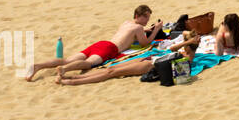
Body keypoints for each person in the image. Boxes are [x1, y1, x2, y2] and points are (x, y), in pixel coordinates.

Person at [26, 5, 163, 80]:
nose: (146, 20)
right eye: (145, 17)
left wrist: (147, 28)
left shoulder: (127, 23)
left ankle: (38, 66)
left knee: (66, 59)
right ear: (137, 16)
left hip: (101, 43)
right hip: (110, 48)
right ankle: (64, 70)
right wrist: (156, 30)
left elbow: (131, 32)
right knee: (88, 64)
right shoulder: (139, 28)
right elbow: (145, 43)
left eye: (148, 17)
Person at [57, 31, 200, 85]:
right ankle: (74, 78)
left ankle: (71, 82)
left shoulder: (189, 57)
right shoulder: (183, 49)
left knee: (111, 73)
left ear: (190, 46)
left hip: (150, 65)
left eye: (186, 42)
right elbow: (172, 49)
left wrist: (189, 43)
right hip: (151, 57)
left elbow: (184, 61)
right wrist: (186, 42)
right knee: (111, 68)